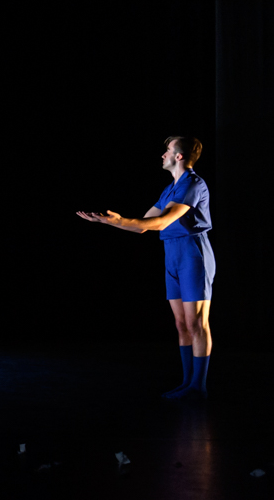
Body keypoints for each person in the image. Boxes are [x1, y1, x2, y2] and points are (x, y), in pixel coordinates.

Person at [76, 136, 214, 400]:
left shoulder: (193, 184)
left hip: (192, 253)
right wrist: (111, 222)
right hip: (172, 253)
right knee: (181, 323)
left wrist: (121, 221)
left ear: (179, 156)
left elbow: (162, 222)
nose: (163, 155)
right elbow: (142, 224)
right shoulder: (169, 189)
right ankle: (187, 383)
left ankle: (199, 386)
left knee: (197, 322)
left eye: (167, 151)